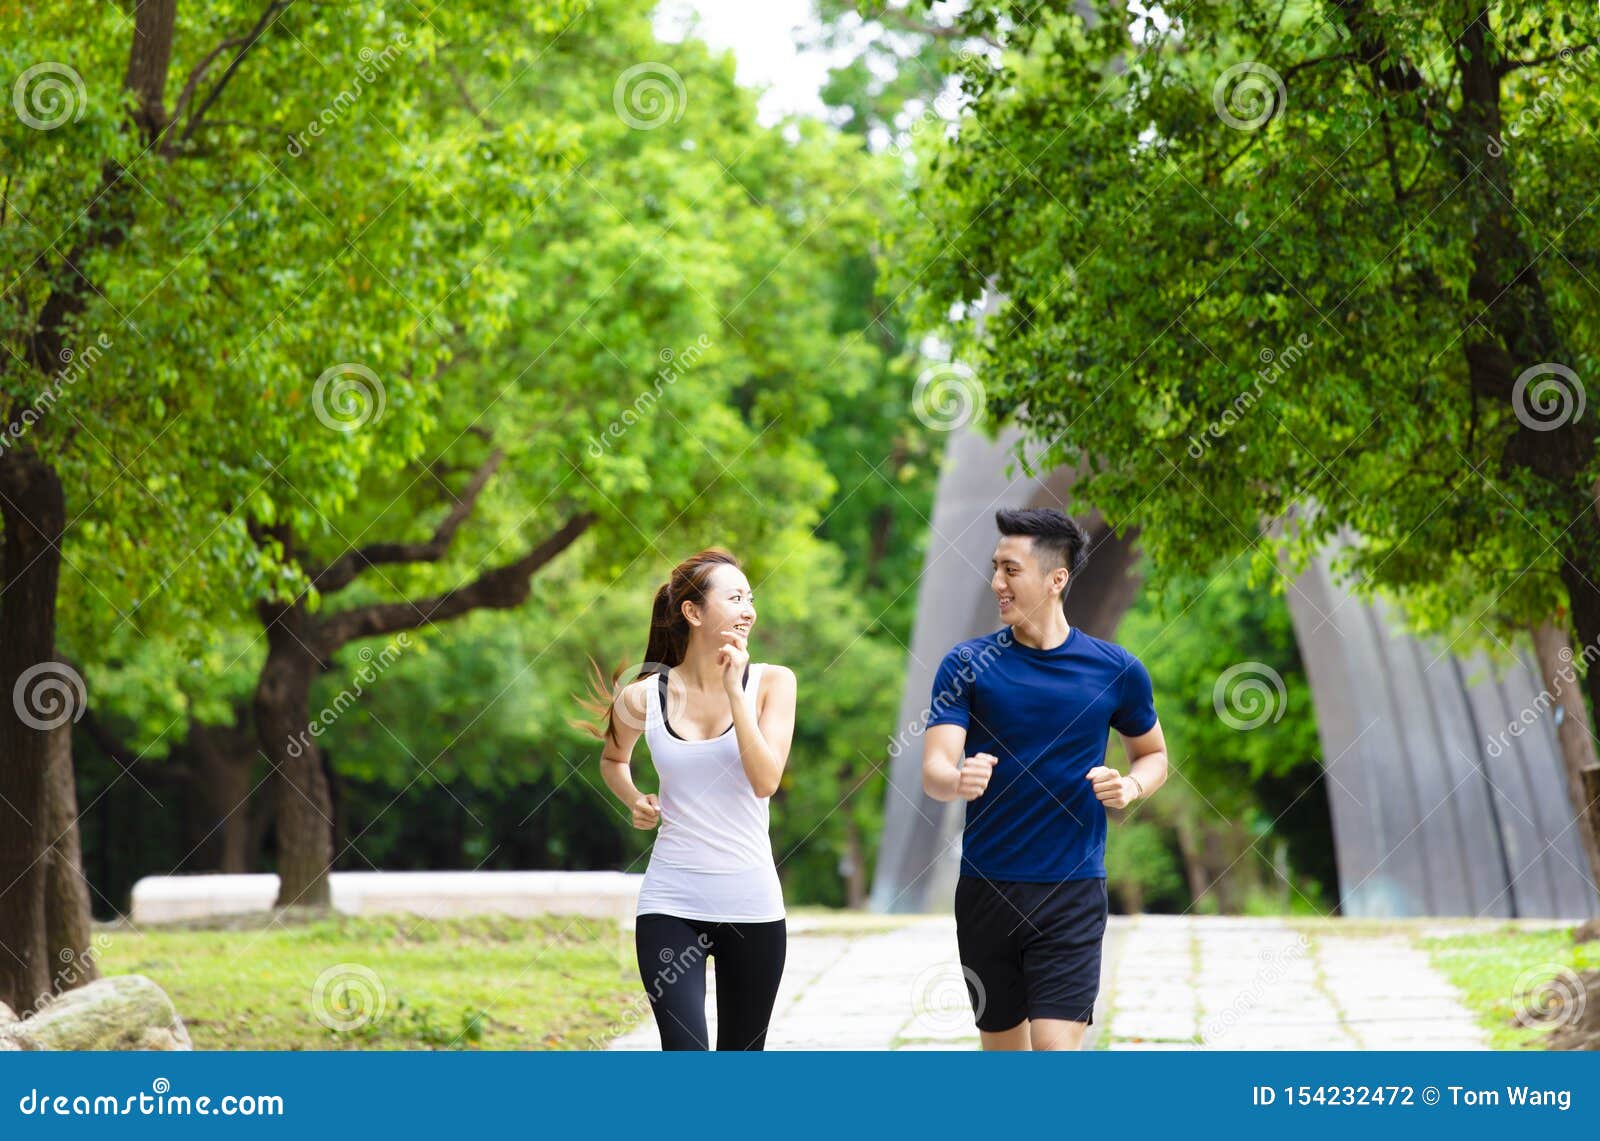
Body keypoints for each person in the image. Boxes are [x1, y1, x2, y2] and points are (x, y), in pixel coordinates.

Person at [921, 507, 1168, 1051]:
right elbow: (936, 771)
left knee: (1055, 1050)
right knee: (1006, 1057)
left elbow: (1153, 755)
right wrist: (957, 777)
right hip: (988, 889)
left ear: (1056, 579)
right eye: (995, 568)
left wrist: (1131, 786)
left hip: (1073, 889)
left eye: (1011, 570)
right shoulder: (967, 663)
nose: (996, 583)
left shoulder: (1116, 669)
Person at [580, 548, 797, 1050]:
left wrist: (735, 692)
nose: (748, 610)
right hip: (670, 903)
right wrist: (635, 797)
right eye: (735, 597)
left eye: (750, 598)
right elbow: (613, 761)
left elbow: (765, 779)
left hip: (752, 906)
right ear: (693, 612)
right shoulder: (644, 696)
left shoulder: (773, 684)